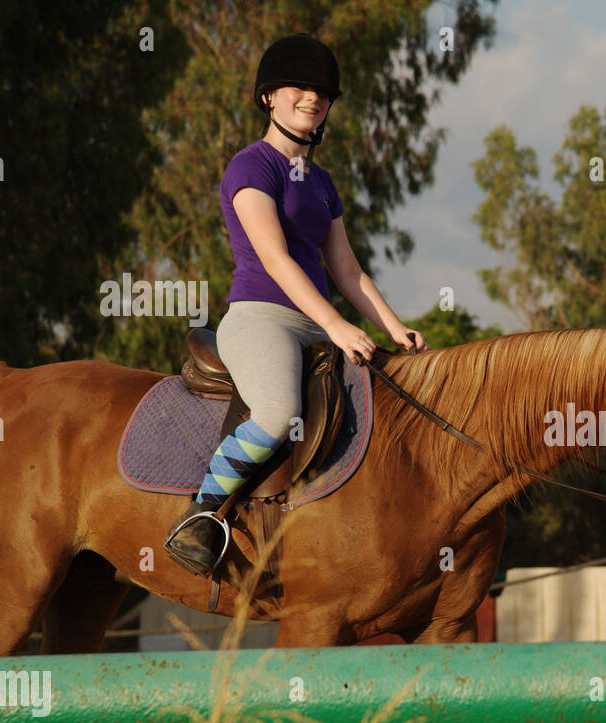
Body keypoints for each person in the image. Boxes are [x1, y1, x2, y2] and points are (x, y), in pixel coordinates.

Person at [165, 33, 428, 576]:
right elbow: (278, 259)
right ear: (269, 97)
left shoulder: (324, 183)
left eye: (323, 93)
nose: (313, 98)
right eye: (300, 88)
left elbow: (348, 270)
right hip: (262, 318)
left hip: (320, 324)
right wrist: (336, 325)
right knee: (280, 413)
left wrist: (395, 329)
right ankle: (202, 513)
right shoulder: (250, 167)